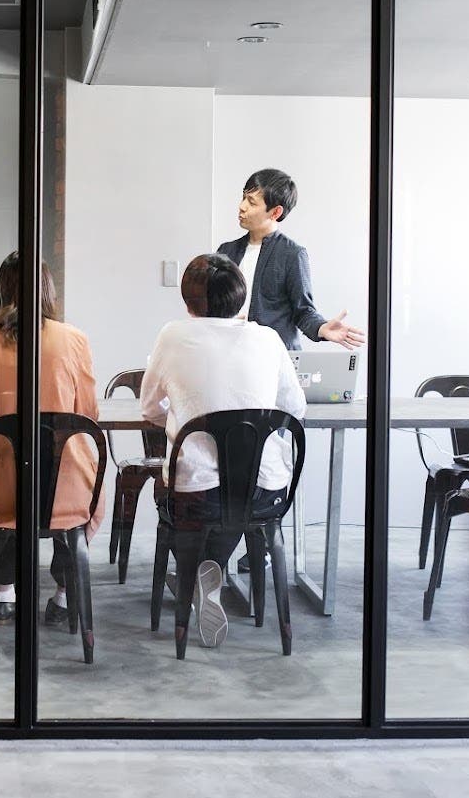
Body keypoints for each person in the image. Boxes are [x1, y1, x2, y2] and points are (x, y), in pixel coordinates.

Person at [140, 253, 305, 649]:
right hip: (264, 494)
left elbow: (148, 408)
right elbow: (294, 408)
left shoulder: (173, 336)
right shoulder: (267, 338)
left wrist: (186, 414)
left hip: (197, 497)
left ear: (188, 301)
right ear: (240, 297)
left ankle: (195, 573)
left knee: (188, 499)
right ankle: (206, 572)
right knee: (235, 498)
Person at [0, 252, 100, 627]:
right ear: (48, 291)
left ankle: (3, 593)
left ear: (0, 289)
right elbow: (87, 414)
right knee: (74, 486)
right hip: (63, 492)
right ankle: (65, 595)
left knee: (8, 480)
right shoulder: (75, 339)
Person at [216, 168, 366, 351]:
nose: (242, 206)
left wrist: (321, 327)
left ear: (275, 212)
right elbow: (212, 307)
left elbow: (303, 311)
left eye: (252, 202)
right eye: (243, 197)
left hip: (273, 358)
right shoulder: (226, 251)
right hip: (229, 353)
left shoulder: (292, 254)